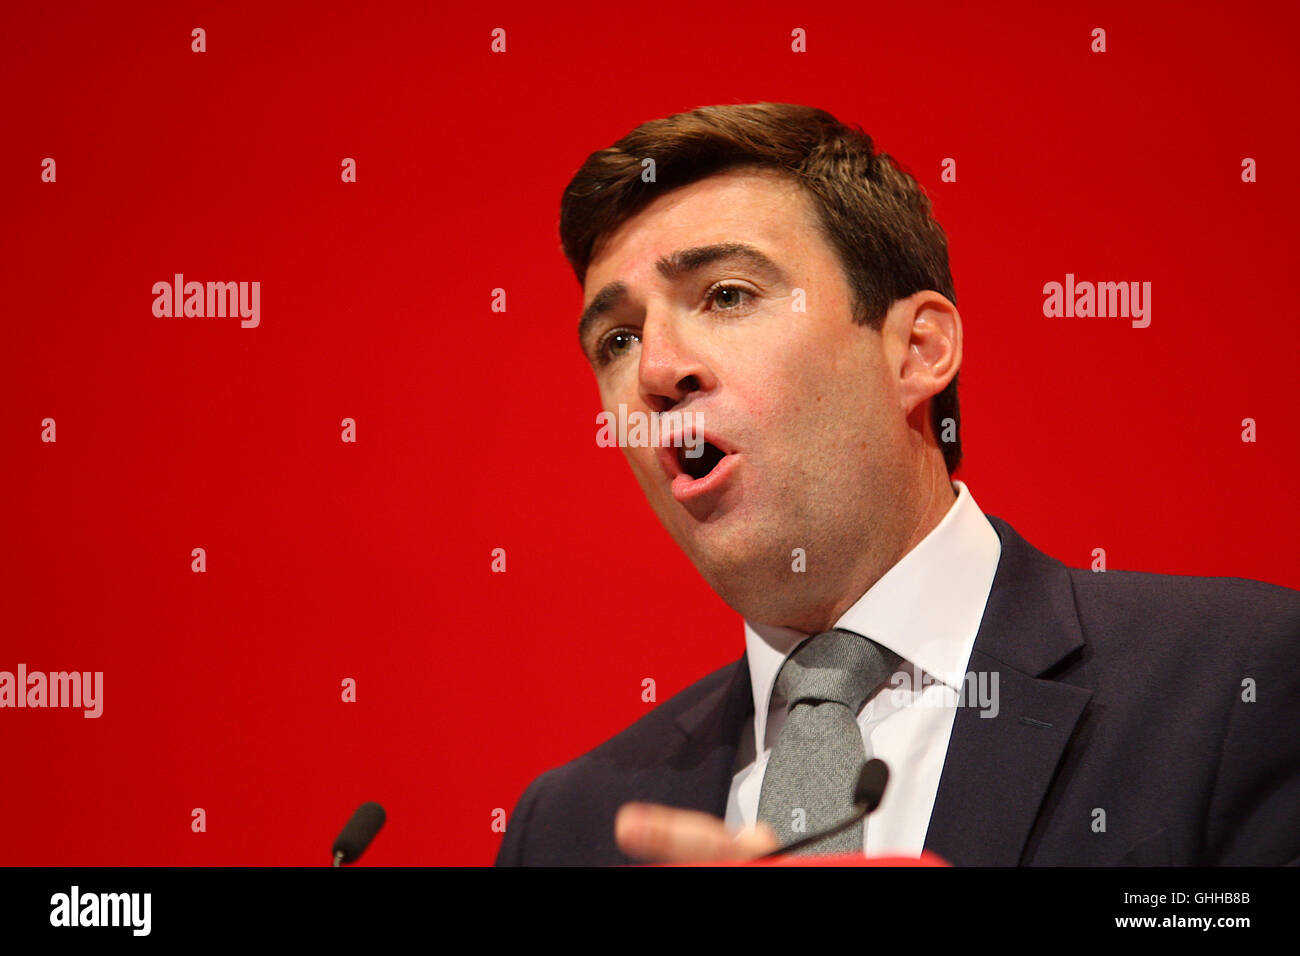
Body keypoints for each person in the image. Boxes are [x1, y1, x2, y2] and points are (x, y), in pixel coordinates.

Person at [494, 102, 1300, 866]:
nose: (657, 370)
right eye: (617, 339)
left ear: (918, 350)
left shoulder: (1240, 681)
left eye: (728, 295)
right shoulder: (568, 827)